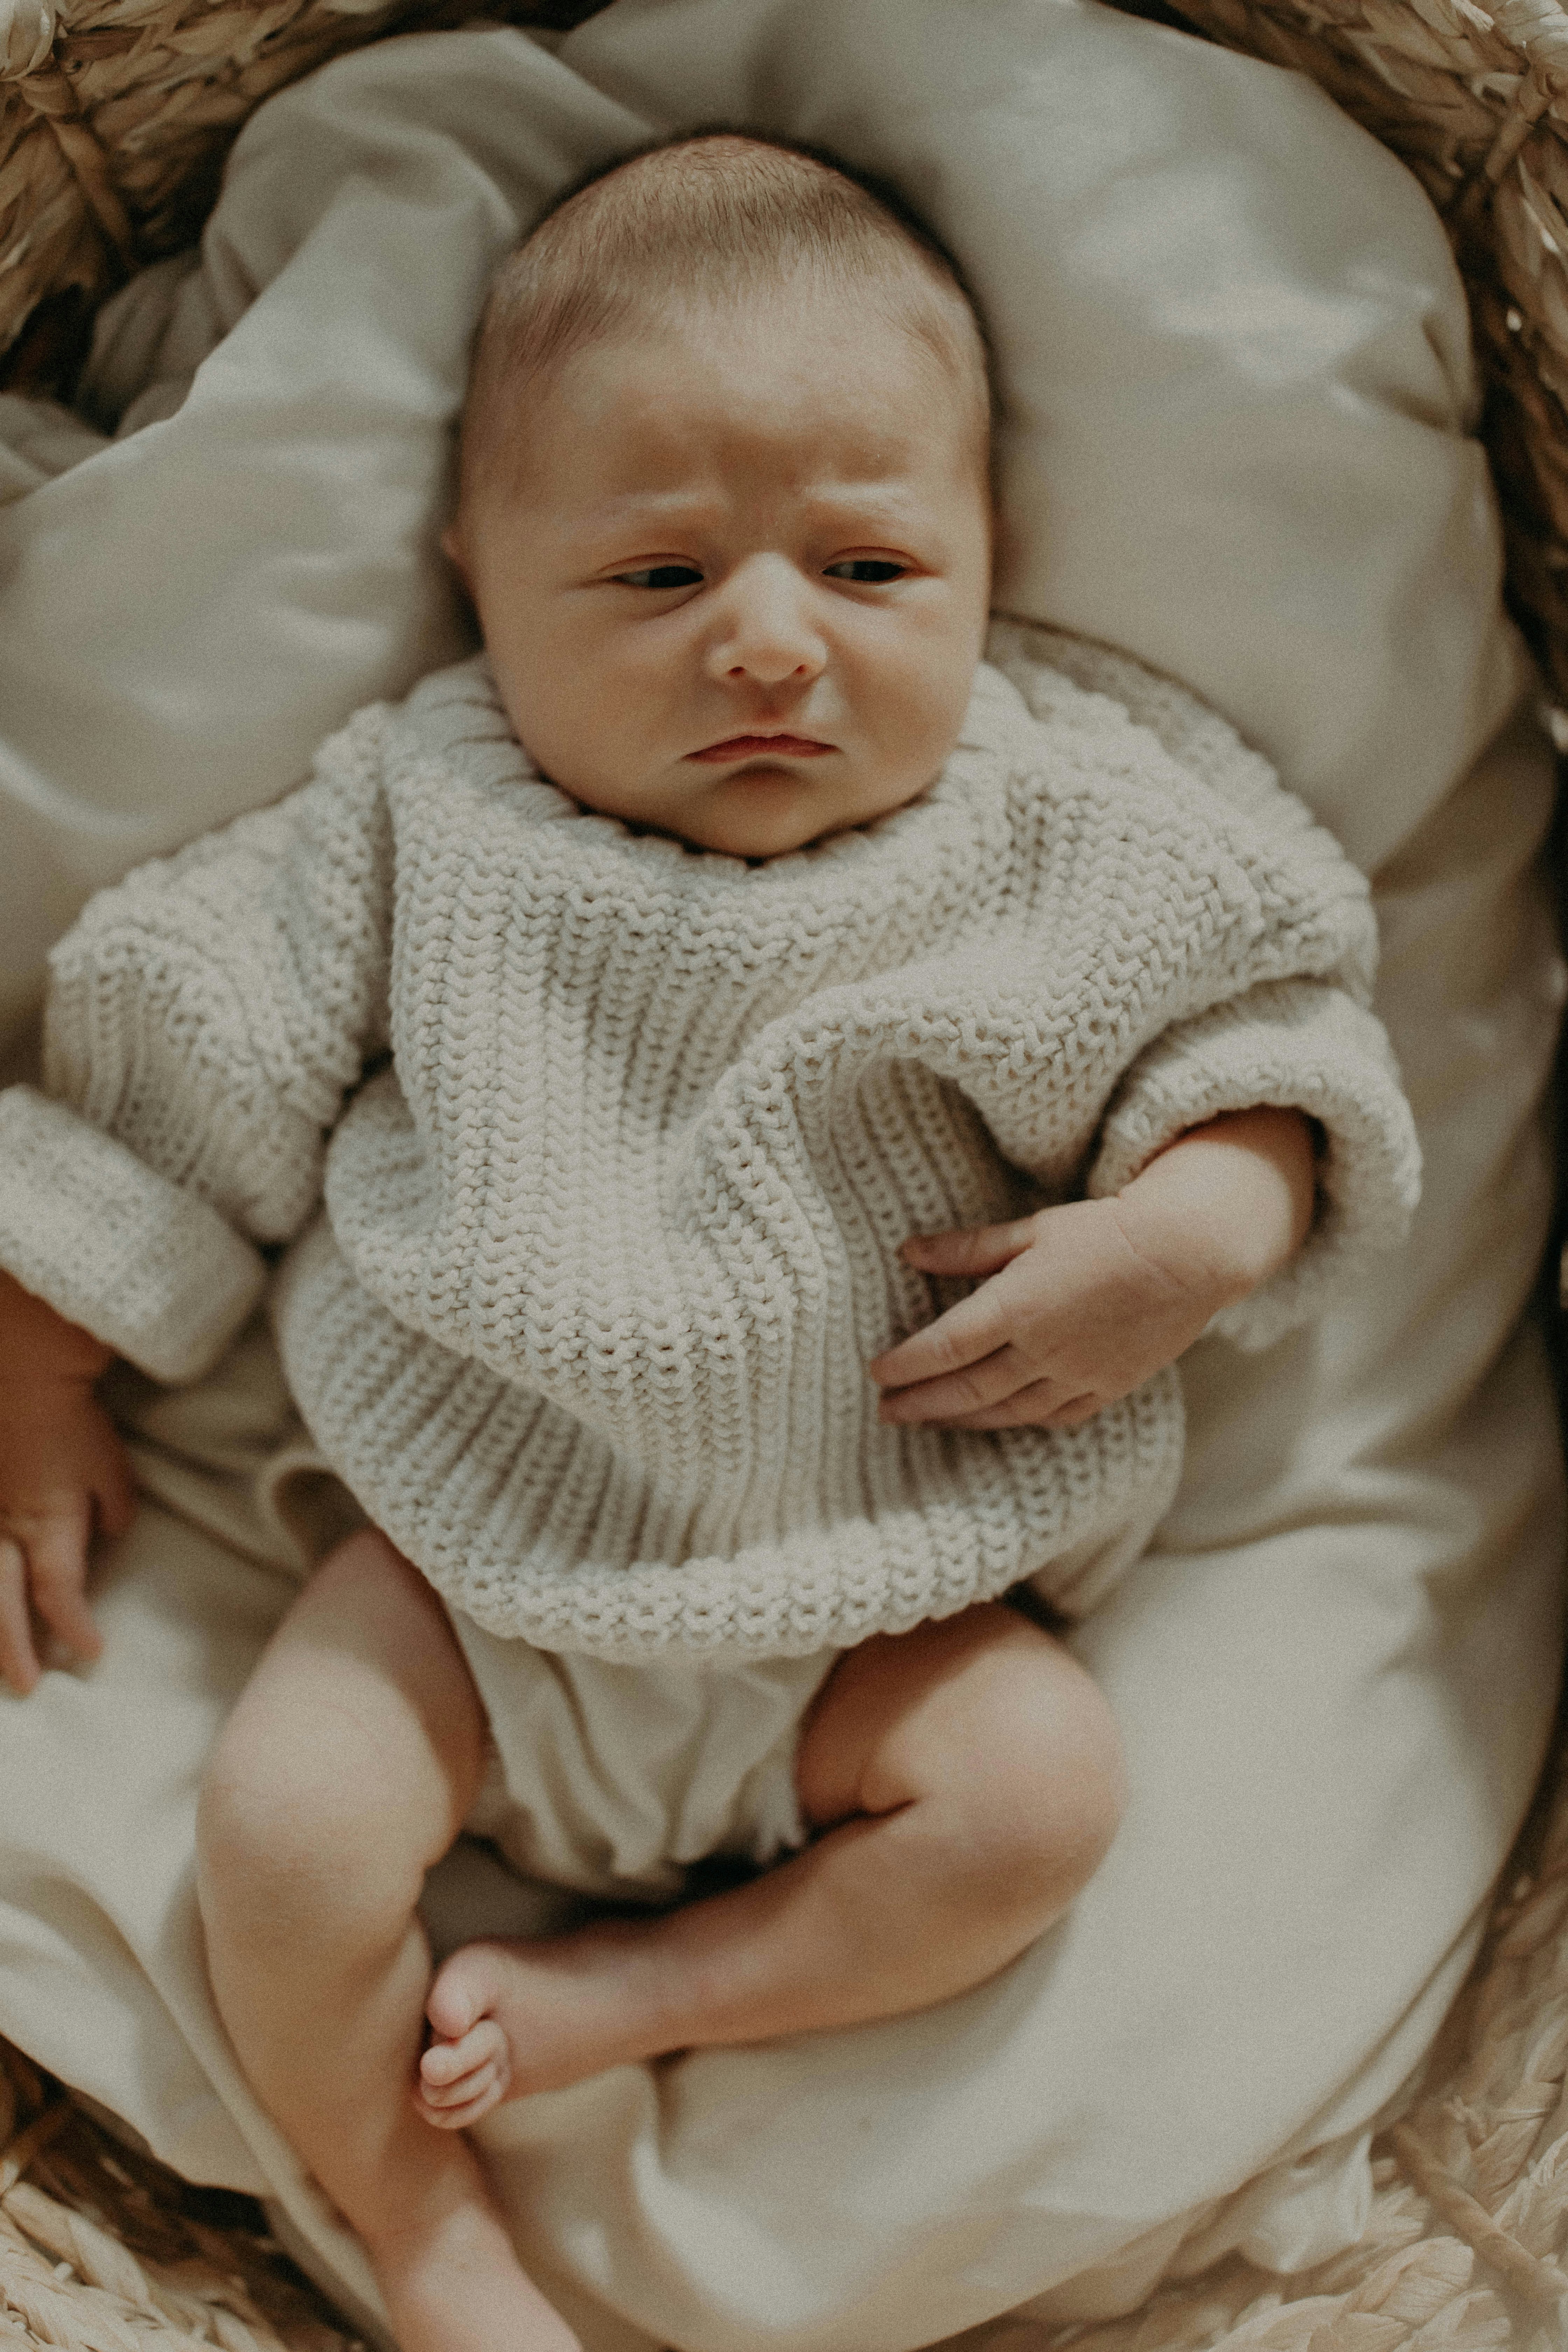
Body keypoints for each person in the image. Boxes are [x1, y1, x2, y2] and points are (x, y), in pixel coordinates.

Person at [0, 133, 1420, 2352]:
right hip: (470, 1579)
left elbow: (1274, 1031)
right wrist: (43, 1361)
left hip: (892, 1610)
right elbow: (178, 1052)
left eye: (866, 564)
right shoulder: (422, 816)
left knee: (1040, 1801)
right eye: (656, 578)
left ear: (990, 556)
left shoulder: (1059, 822)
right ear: (476, 561)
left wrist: (1190, 1234)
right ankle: (420, 2215)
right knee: (279, 1838)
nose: (769, 643)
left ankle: (639, 2000)